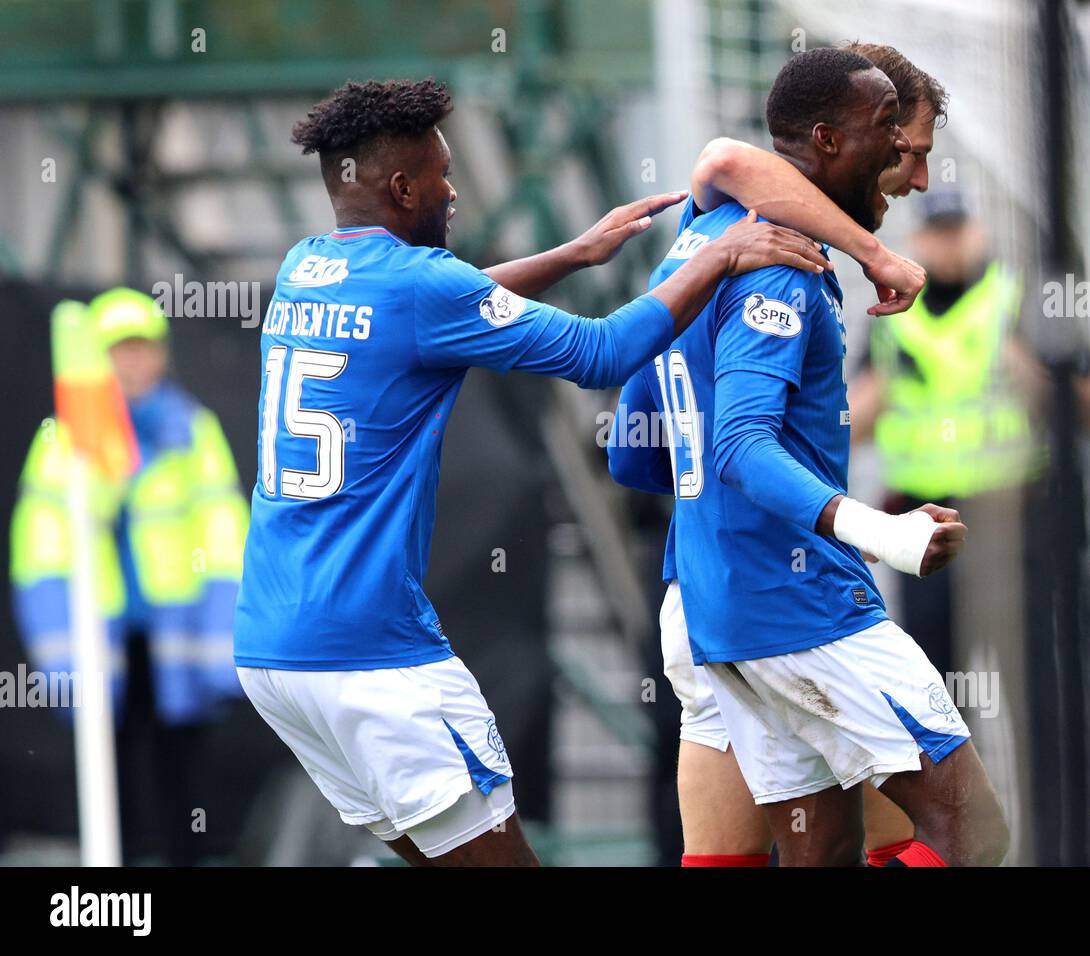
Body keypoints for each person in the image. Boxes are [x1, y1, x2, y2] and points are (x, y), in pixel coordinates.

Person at [231, 77, 843, 867]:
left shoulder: (305, 269)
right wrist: (719, 256)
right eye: (441, 175)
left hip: (273, 651)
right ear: (401, 186)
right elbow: (603, 353)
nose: (453, 192)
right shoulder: (421, 287)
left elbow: (446, 310)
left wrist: (575, 254)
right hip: (372, 654)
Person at [609, 47, 1008, 866]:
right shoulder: (784, 261)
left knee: (804, 850)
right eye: (899, 140)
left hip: (708, 593)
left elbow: (634, 448)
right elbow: (742, 447)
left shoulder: (694, 242)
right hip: (794, 597)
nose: (909, 167)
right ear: (829, 138)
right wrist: (880, 532)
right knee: (970, 832)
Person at [10, 287, 249, 864]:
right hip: (103, 635)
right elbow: (42, 543)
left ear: (162, 353)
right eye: (119, 351)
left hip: (178, 633)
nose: (134, 363)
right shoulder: (64, 439)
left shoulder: (193, 429)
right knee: (107, 766)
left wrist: (224, 628)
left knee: (184, 761)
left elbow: (224, 531)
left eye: (144, 349)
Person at [850, 189, 1045, 677]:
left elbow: (1071, 406)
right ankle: (948, 756)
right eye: (938, 235)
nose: (949, 245)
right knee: (933, 672)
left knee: (1027, 669)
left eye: (958, 232)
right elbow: (851, 421)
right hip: (926, 517)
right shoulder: (892, 320)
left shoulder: (1011, 299)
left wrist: (1017, 360)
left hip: (1007, 510)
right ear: (918, 240)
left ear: (978, 234)